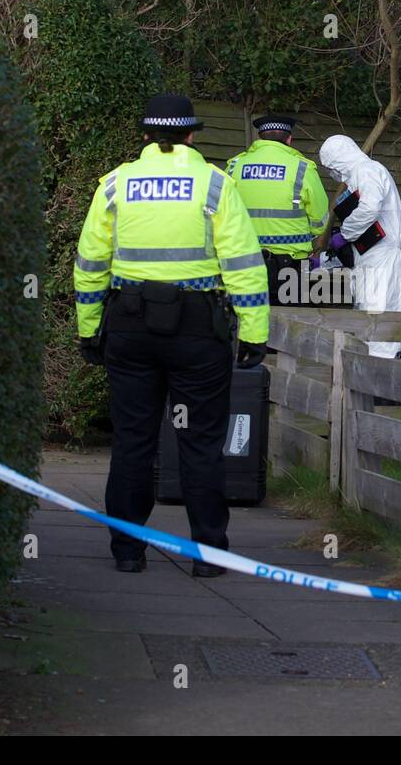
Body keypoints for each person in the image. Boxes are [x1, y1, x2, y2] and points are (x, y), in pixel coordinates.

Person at [73, 93, 270, 577]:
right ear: (190, 135)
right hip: (197, 329)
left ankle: (127, 551)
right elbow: (244, 266)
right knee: (201, 442)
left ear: (145, 136)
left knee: (133, 440)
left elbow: (89, 264)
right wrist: (253, 334)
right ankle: (207, 554)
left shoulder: (115, 185)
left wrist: (89, 328)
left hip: (129, 325)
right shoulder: (214, 185)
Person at [316, 135, 401, 357]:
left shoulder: (367, 170)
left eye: (331, 167)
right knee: (375, 332)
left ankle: (376, 386)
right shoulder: (361, 176)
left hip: (381, 264)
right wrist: (326, 260)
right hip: (375, 262)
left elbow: (369, 208)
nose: (333, 174)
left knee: (377, 332)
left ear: (339, 159)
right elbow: (364, 242)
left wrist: (346, 234)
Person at [225, 114, 330, 305]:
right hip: (290, 268)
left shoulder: (234, 166)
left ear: (260, 138)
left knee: (246, 322)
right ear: (289, 139)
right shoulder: (302, 168)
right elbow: (321, 220)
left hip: (244, 263)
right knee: (293, 326)